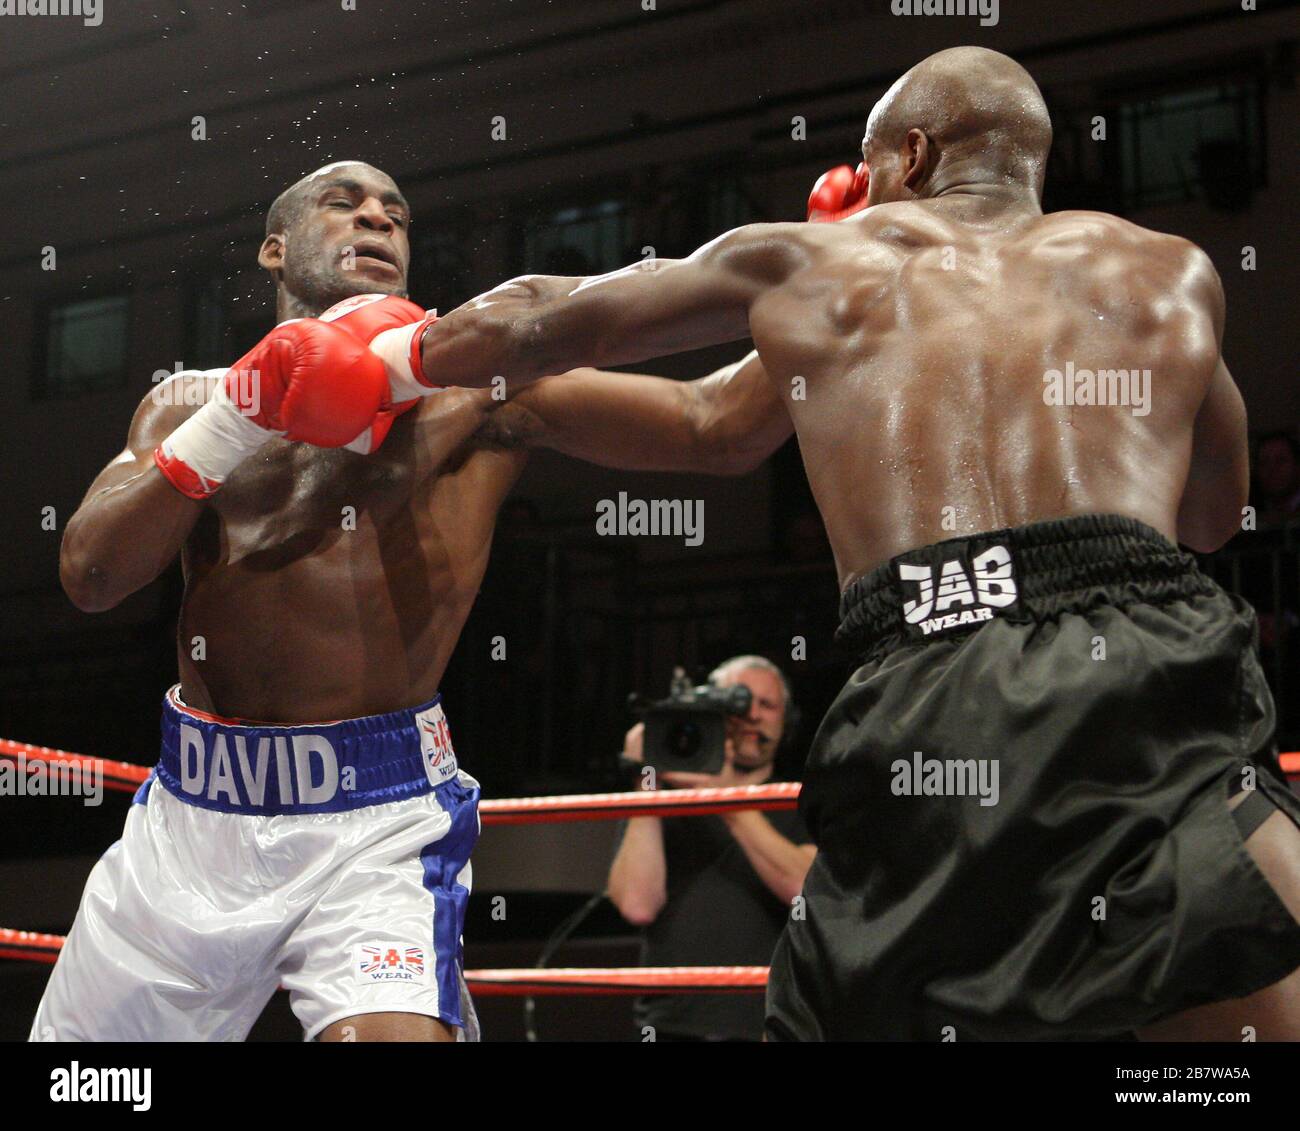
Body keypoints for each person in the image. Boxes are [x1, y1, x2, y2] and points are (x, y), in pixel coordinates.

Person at [406, 46, 1300, 1040]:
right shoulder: (1173, 270)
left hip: (943, 654)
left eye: (873, 168)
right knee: (1225, 978)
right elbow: (1216, 518)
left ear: (911, 154)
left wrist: (393, 353)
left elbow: (542, 321)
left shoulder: (816, 255)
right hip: (1152, 654)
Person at [32, 160, 786, 1043]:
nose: (377, 219)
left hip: (375, 825)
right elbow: (90, 574)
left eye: (395, 212)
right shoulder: (187, 400)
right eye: (343, 204)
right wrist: (237, 415)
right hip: (193, 818)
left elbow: (717, 426)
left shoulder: (481, 392)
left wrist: (834, 272)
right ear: (275, 250)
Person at [608, 656, 814, 1041]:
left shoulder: (799, 801)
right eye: (736, 700)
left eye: (767, 705)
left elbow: (807, 889)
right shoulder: (663, 800)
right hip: (668, 1026)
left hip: (768, 1026)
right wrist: (644, 778)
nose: (751, 715)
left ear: (787, 722)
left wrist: (725, 799)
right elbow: (637, 903)